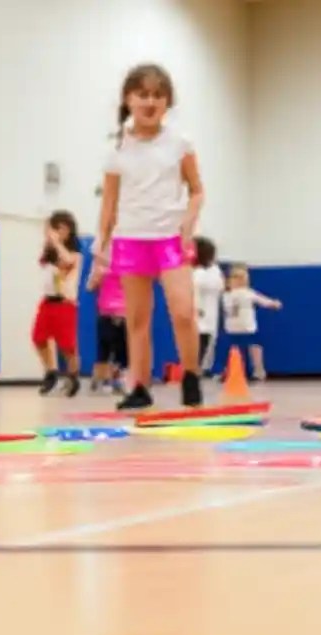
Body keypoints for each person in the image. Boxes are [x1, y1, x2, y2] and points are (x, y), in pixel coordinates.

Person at [95, 63, 204, 410]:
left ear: (167, 103)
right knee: (137, 319)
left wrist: (188, 223)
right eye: (142, 94)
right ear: (128, 99)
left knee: (184, 311)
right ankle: (139, 386)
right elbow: (109, 206)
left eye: (158, 95)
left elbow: (197, 191)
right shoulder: (117, 151)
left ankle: (190, 375)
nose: (150, 101)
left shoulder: (180, 143)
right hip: (131, 239)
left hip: (170, 238)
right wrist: (102, 246)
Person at [32, 211, 82, 396]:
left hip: (65, 303)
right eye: (54, 228)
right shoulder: (49, 253)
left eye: (61, 228)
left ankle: (73, 376)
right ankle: (51, 371)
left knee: (68, 346)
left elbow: (68, 261)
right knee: (38, 338)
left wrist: (57, 242)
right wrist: (49, 239)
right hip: (48, 302)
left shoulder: (75, 255)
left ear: (68, 230)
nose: (55, 232)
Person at [220, 264, 282, 381]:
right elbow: (263, 301)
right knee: (246, 348)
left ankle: (253, 370)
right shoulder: (241, 294)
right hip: (240, 327)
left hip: (239, 327)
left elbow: (262, 301)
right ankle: (249, 371)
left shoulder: (233, 294)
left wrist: (272, 303)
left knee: (244, 349)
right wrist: (274, 303)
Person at [86, 250, 128, 395]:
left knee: (122, 350)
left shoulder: (127, 263)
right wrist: (97, 275)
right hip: (106, 311)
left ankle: (118, 378)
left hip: (124, 311)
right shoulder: (100, 265)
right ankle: (100, 377)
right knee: (104, 347)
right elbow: (90, 287)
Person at [192, 237, 225, 377]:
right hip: (195, 315)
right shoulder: (195, 271)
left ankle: (197, 370)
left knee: (204, 341)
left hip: (205, 315)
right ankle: (195, 369)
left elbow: (217, 286)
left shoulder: (211, 272)